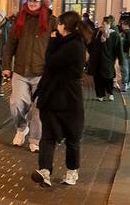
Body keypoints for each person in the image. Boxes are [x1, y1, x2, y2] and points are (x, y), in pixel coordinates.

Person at [32, 11, 91, 187]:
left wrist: (52, 41)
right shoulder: (64, 41)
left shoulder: (75, 45)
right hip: (52, 97)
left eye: (59, 23)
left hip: (68, 99)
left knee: (72, 138)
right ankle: (45, 171)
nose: (56, 26)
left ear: (66, 26)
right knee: (48, 136)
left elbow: (51, 61)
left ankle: (72, 171)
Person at [2, 0, 57, 152]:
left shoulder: (51, 20)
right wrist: (6, 66)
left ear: (43, 2)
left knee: (39, 108)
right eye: (30, 1)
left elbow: (57, 45)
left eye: (35, 1)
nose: (32, 4)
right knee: (16, 103)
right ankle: (21, 128)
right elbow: (10, 43)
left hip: (42, 72)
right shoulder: (20, 19)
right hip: (20, 70)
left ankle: (35, 140)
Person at [87, 16, 122, 102]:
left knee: (108, 77)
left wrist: (121, 59)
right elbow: (90, 44)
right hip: (97, 60)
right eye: (103, 23)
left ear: (110, 24)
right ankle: (100, 95)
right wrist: (91, 55)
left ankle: (110, 93)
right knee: (98, 78)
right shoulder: (97, 32)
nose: (103, 25)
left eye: (106, 23)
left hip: (108, 60)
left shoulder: (114, 35)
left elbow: (118, 48)